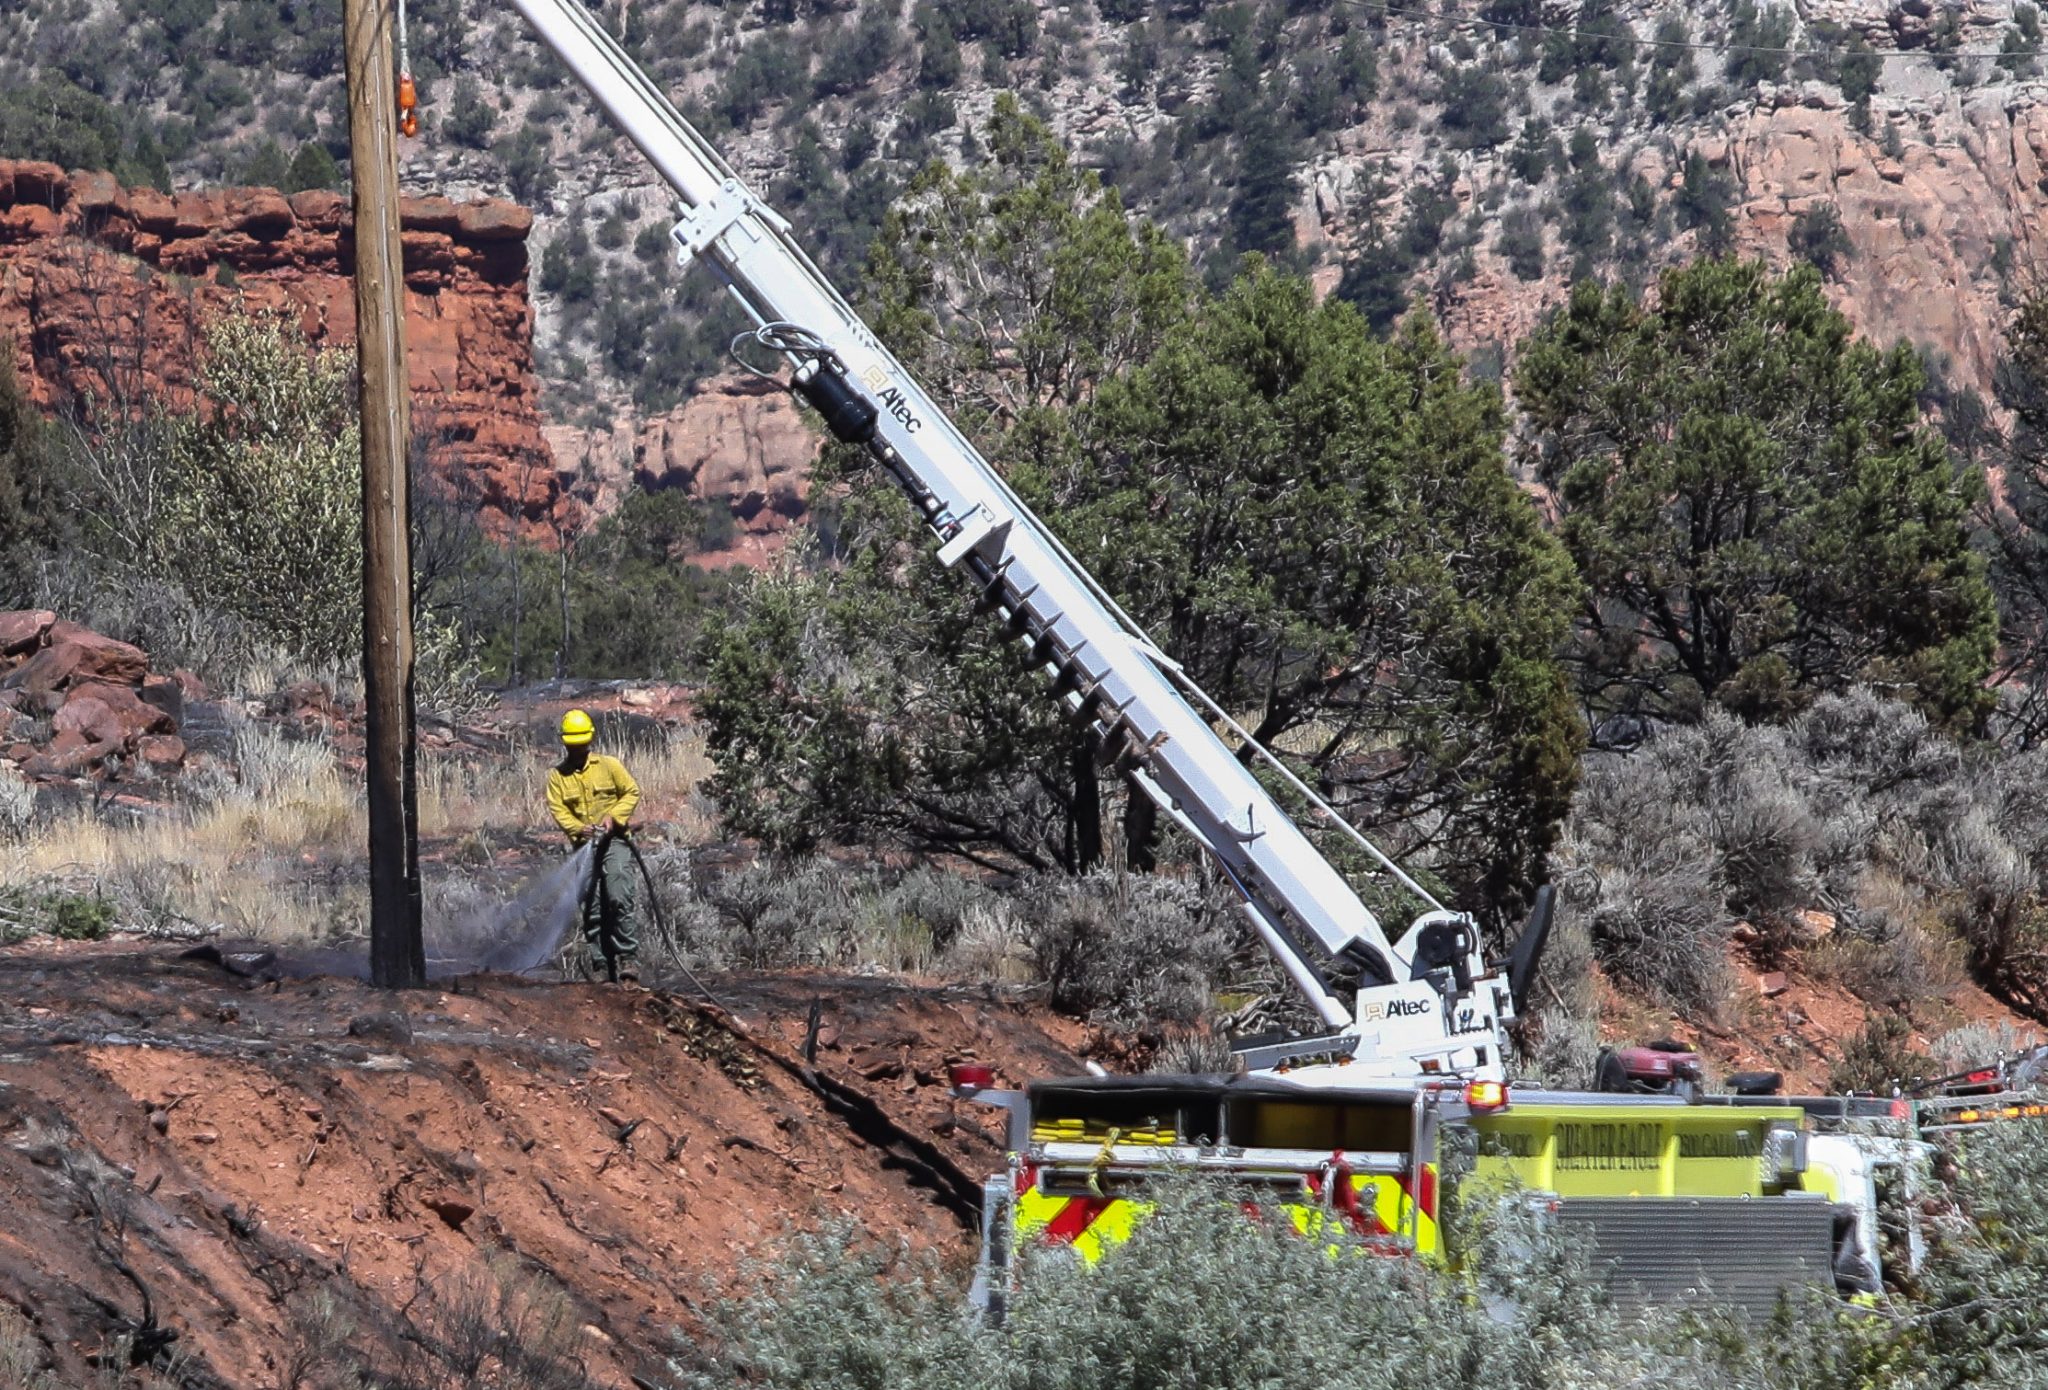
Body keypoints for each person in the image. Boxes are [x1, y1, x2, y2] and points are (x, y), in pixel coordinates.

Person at [545, 709, 643, 983]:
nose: (577, 750)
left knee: (617, 894)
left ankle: (628, 960)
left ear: (590, 742)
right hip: (584, 847)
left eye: (581, 744)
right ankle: (601, 965)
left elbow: (631, 791)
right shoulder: (558, 777)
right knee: (592, 904)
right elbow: (559, 809)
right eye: (572, 745)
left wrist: (615, 818)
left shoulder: (609, 766)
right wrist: (579, 829)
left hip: (615, 843)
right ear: (565, 744)